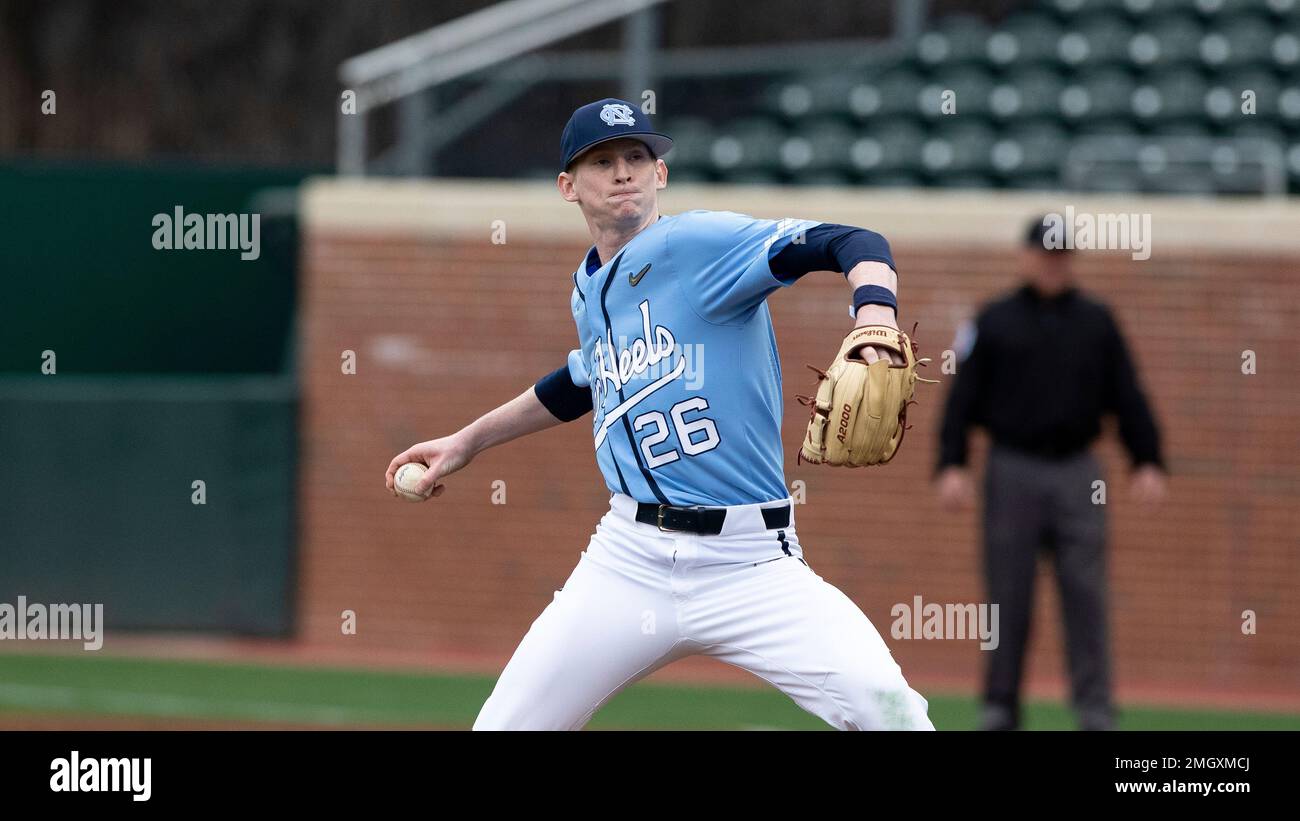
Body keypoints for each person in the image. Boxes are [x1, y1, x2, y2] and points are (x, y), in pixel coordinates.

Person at [384, 98, 934, 730]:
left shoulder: (697, 244)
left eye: (637, 157)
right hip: (628, 560)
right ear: (569, 187)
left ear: (660, 175)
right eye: (603, 161)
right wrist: (467, 441)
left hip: (750, 563)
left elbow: (851, 241)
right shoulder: (590, 286)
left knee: (893, 715)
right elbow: (580, 381)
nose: (624, 172)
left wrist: (875, 316)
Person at [934, 215, 1167, 731]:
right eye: (1045, 253)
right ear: (1026, 256)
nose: (1053, 264)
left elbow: (1127, 394)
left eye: (1062, 255)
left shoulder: (1097, 322)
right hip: (1011, 468)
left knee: (1086, 593)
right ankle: (1000, 705)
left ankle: (1095, 707)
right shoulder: (992, 321)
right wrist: (951, 463)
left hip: (1079, 473)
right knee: (1007, 595)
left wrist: (1146, 458)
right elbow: (962, 399)